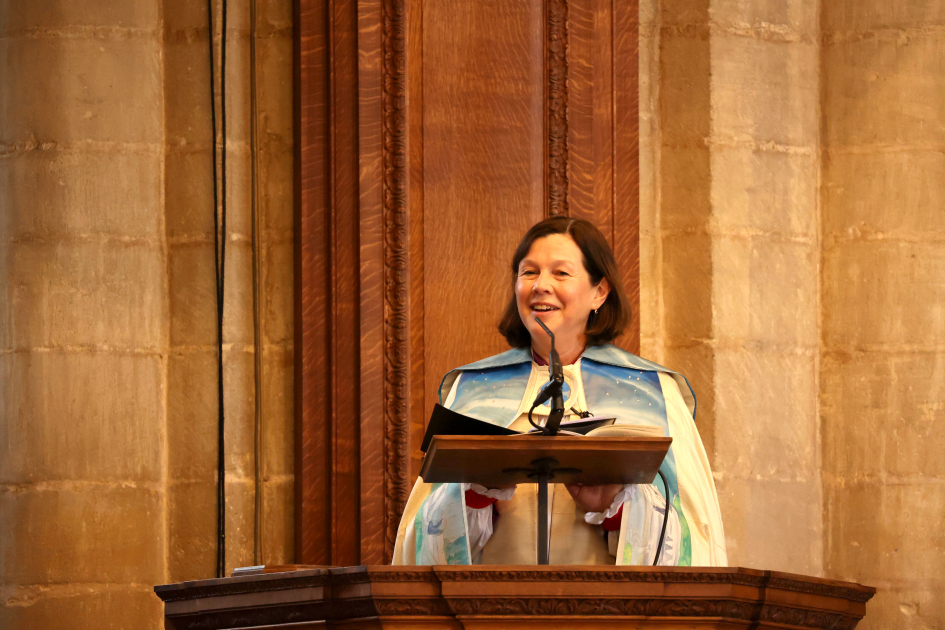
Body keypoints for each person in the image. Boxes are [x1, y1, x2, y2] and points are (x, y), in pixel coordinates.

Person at [392, 217, 727, 566]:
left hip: (606, 615)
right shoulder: (473, 391)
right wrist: (475, 495)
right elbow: (421, 545)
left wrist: (614, 506)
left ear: (600, 292)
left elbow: (691, 540)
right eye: (529, 272)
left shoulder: (655, 393)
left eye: (561, 273)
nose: (541, 285)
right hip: (492, 611)